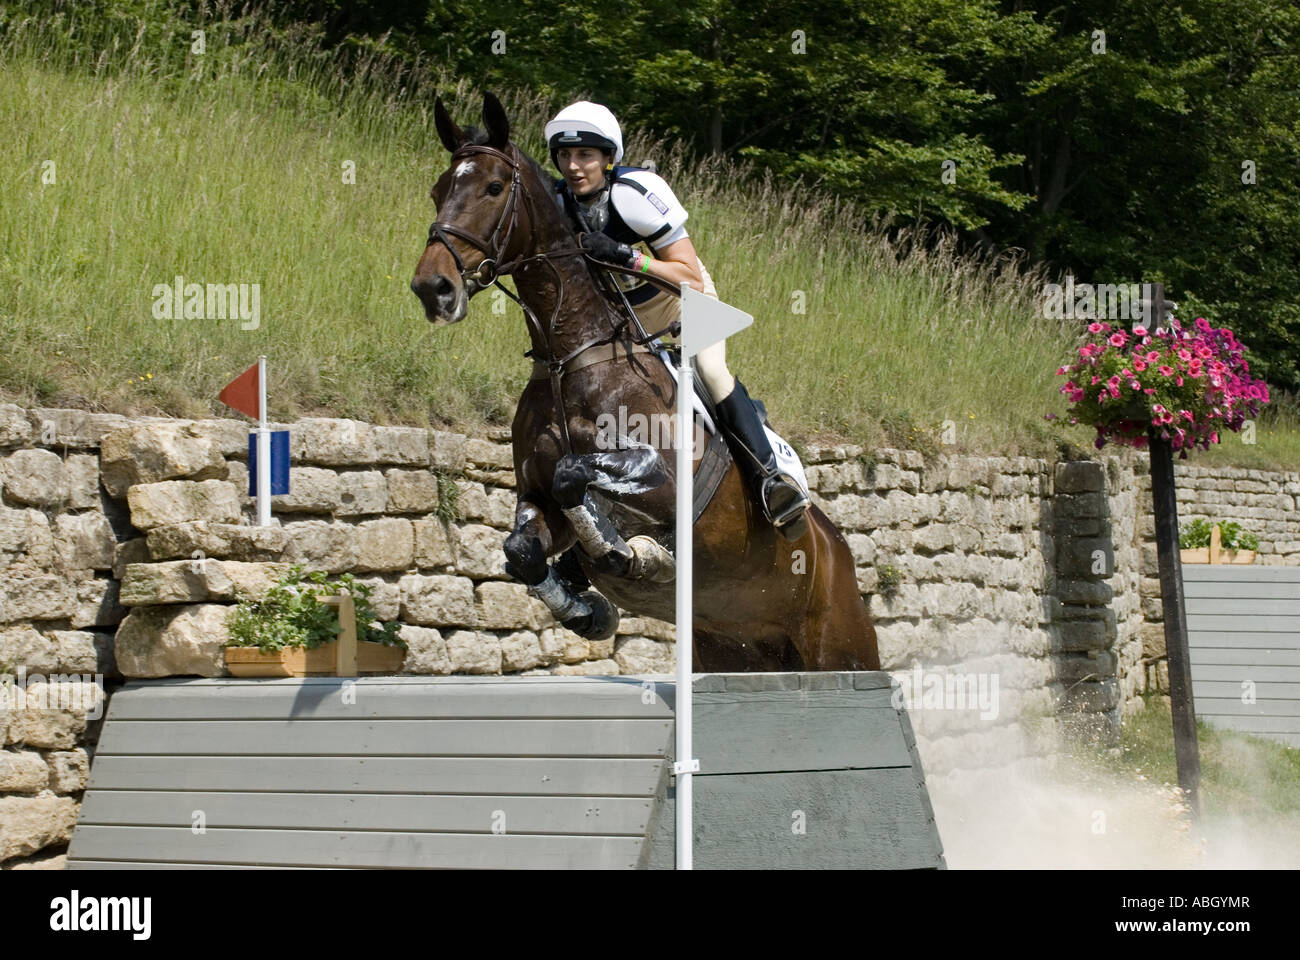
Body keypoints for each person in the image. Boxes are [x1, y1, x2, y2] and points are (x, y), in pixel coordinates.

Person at [544, 100, 810, 541]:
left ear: (608, 158)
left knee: (709, 369)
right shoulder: (557, 201)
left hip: (682, 304)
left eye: (586, 155)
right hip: (622, 321)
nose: (574, 166)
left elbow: (687, 275)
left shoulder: (635, 193)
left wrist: (630, 257)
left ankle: (770, 478)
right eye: (565, 156)